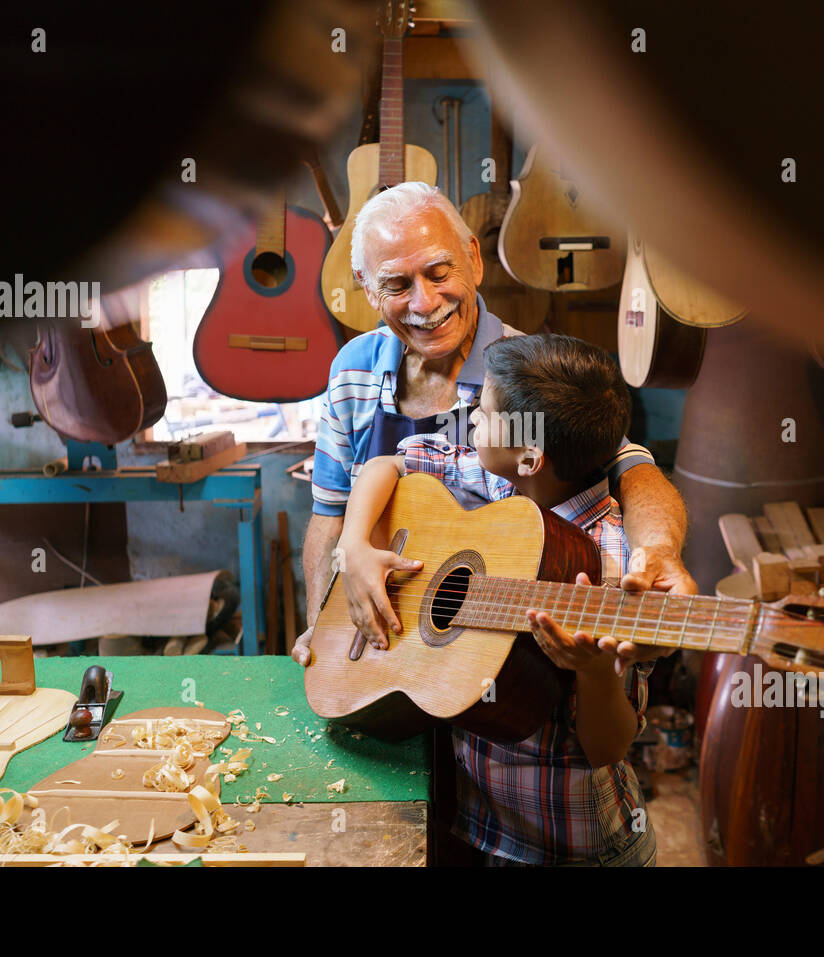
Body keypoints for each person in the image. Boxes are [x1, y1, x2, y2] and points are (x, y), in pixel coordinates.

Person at [294, 181, 695, 667]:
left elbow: (630, 467)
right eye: (397, 285)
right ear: (364, 284)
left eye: (440, 273)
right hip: (381, 658)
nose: (424, 303)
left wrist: (657, 549)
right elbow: (328, 516)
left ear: (474, 260)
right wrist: (325, 630)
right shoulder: (351, 368)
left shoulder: (521, 376)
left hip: (475, 667)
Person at [333, 333, 657, 865]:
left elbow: (611, 748)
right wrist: (354, 546)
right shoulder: (500, 484)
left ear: (530, 455)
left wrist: (595, 672)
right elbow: (387, 465)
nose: (469, 417)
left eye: (483, 411)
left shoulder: (613, 564)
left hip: (568, 842)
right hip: (475, 819)